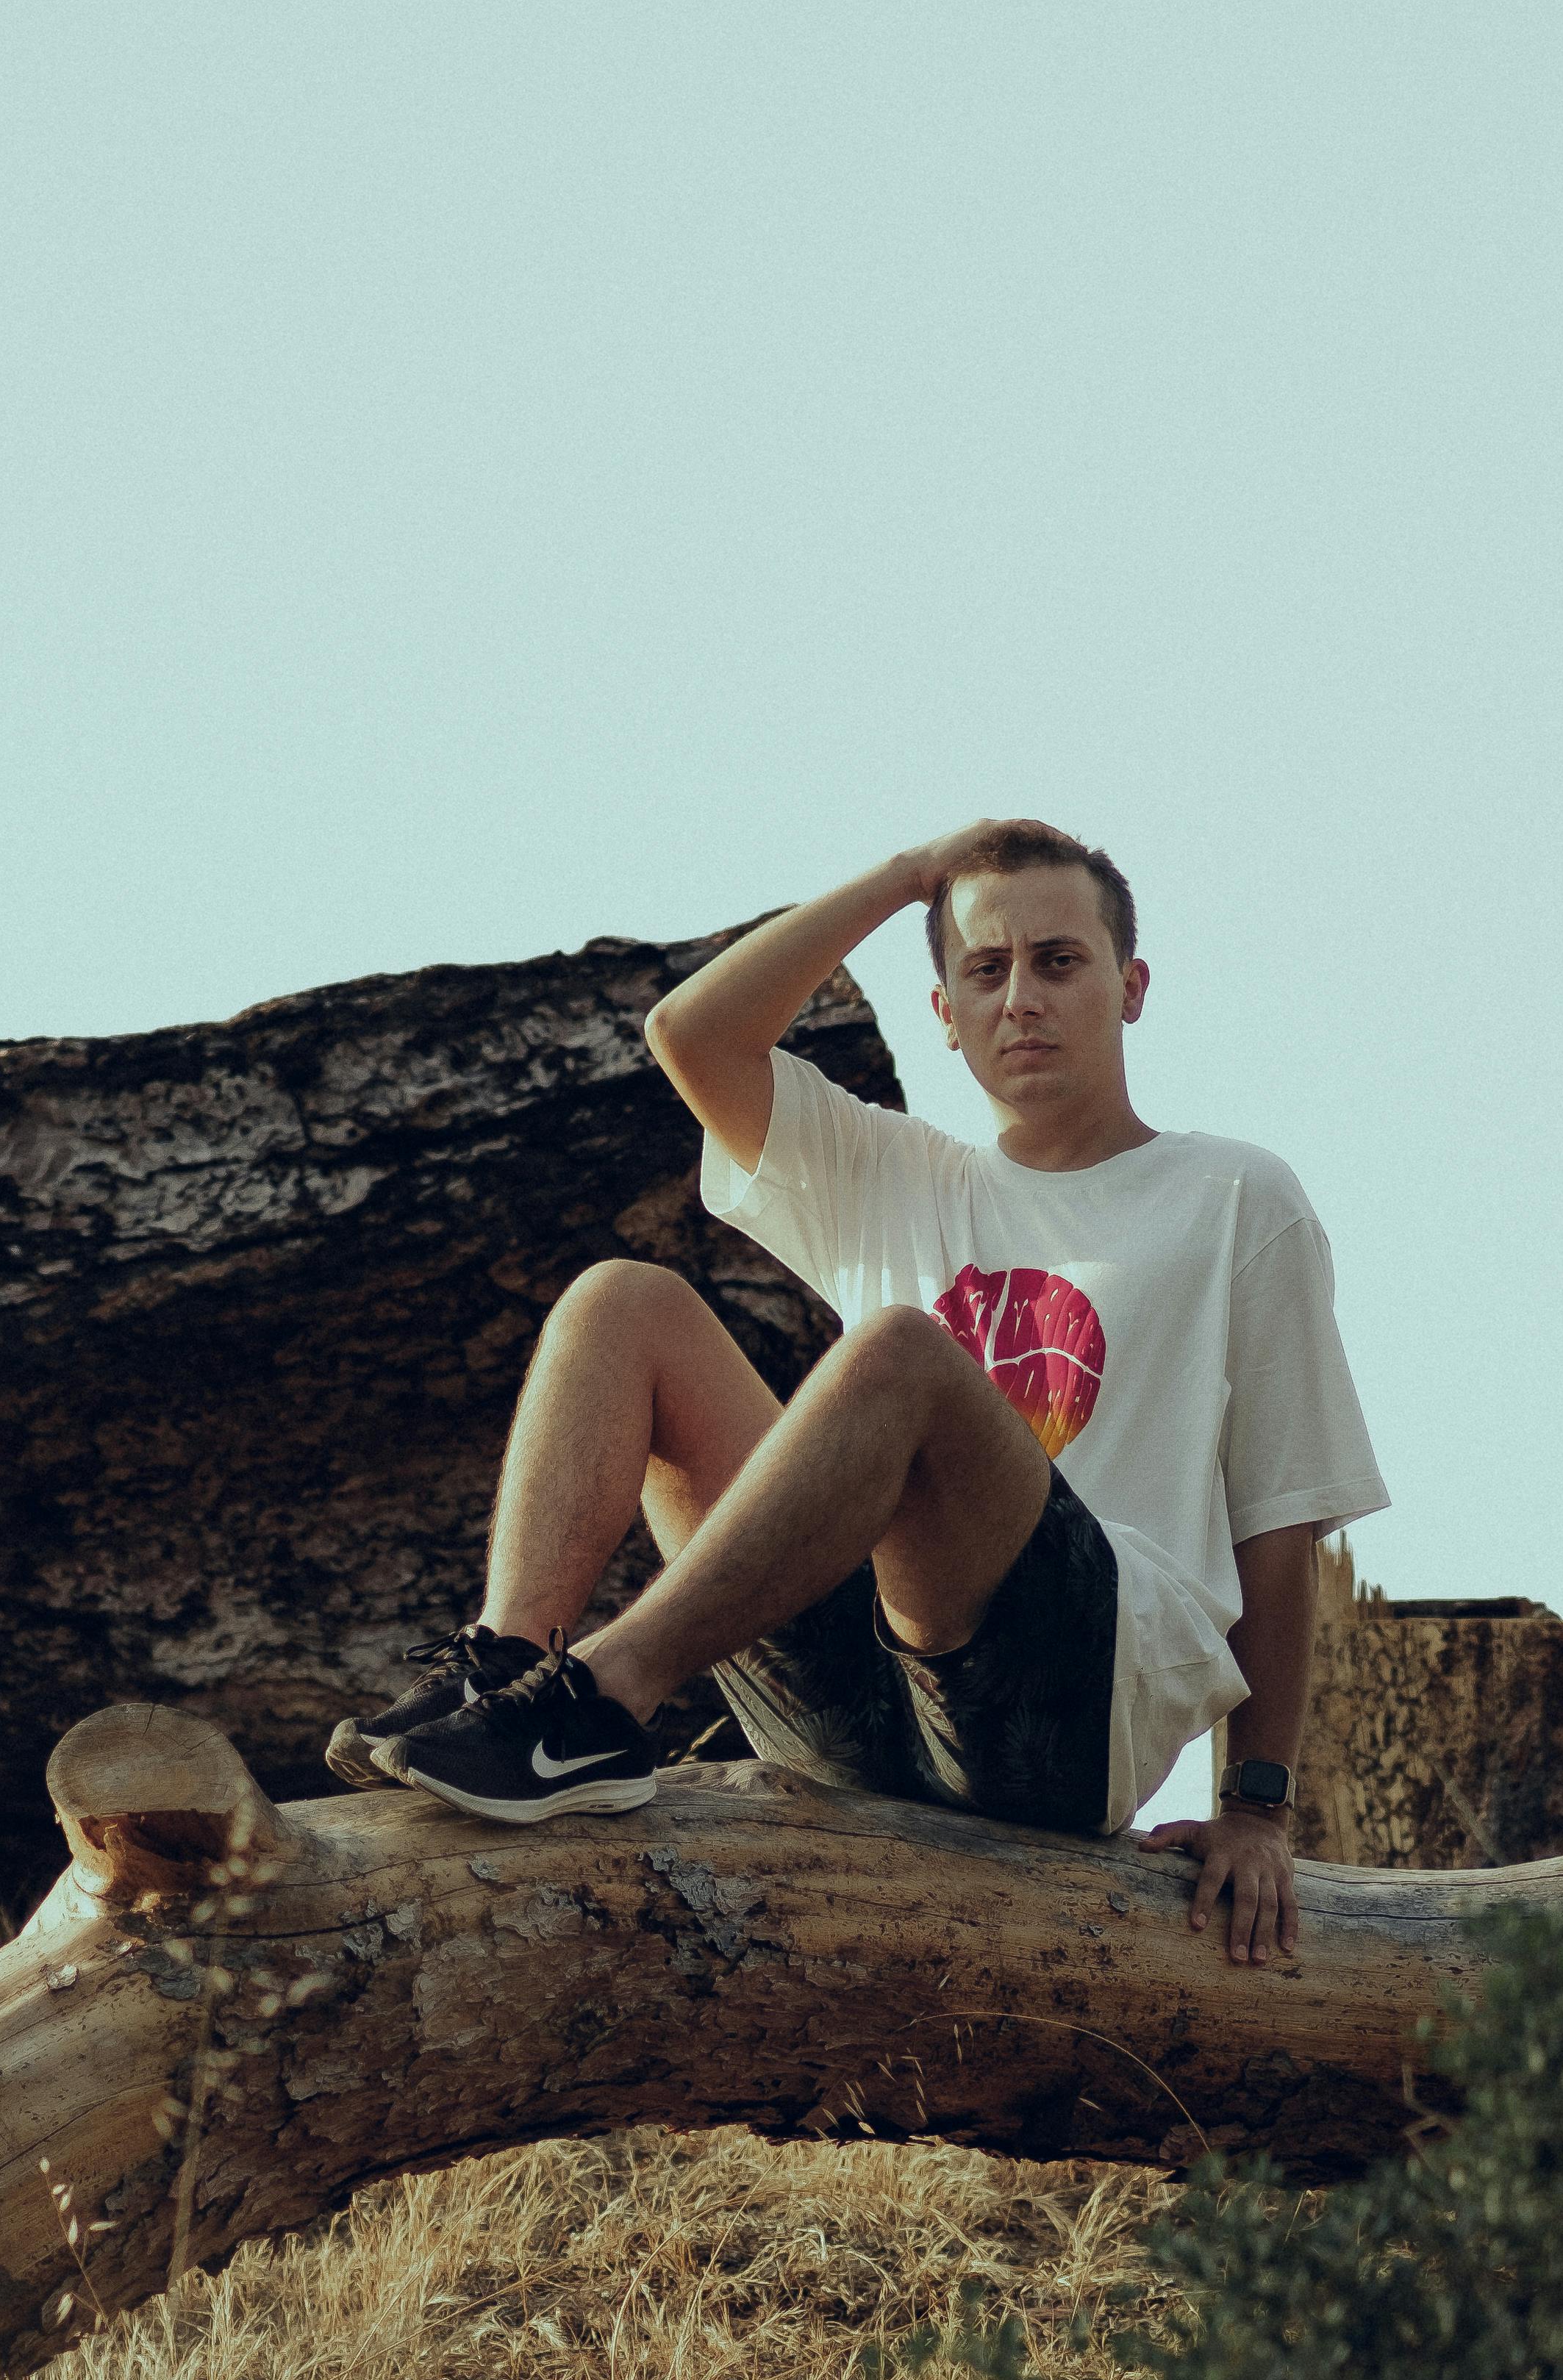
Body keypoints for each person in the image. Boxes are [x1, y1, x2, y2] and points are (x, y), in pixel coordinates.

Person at [344, 821, 1387, 1969]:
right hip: (864, 1712)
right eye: (984, 971)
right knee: (621, 1301)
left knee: (901, 1351)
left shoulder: (1235, 1196)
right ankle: (501, 1680)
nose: (1020, 999)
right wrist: (904, 880)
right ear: (943, 1015)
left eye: (1059, 961)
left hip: (1068, 1708)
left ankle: (601, 1698)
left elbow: (1279, 1522)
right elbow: (689, 1035)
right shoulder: (896, 1175)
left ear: (1131, 988)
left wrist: (1259, 1806)